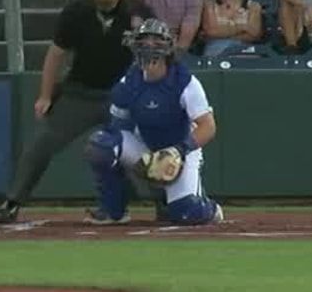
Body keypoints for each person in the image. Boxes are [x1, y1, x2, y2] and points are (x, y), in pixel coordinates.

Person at [0, 0, 151, 225]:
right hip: (80, 92)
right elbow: (56, 54)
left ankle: (166, 200)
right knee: (42, 143)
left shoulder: (138, 13)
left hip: (122, 95)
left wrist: (143, 93)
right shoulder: (76, 12)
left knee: (145, 146)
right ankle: (13, 201)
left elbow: (151, 55)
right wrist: (45, 95)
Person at [84, 19, 226, 225]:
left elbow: (208, 127)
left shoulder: (185, 82)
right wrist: (137, 166)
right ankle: (113, 208)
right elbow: (118, 129)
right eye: (144, 41)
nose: (150, 46)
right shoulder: (128, 83)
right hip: (146, 146)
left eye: (156, 41)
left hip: (181, 148)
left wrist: (178, 150)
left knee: (185, 213)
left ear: (168, 47)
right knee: (101, 145)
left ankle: (209, 208)